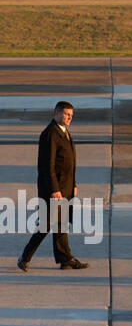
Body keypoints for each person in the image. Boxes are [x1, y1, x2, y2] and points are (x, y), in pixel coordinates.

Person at [18, 101, 88, 271]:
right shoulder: (50, 134)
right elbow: (46, 166)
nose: (70, 117)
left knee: (61, 224)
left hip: (65, 186)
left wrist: (73, 184)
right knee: (47, 224)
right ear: (56, 113)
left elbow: (68, 163)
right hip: (53, 189)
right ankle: (25, 257)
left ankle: (65, 259)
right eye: (66, 114)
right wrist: (54, 189)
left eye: (71, 115)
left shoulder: (64, 132)